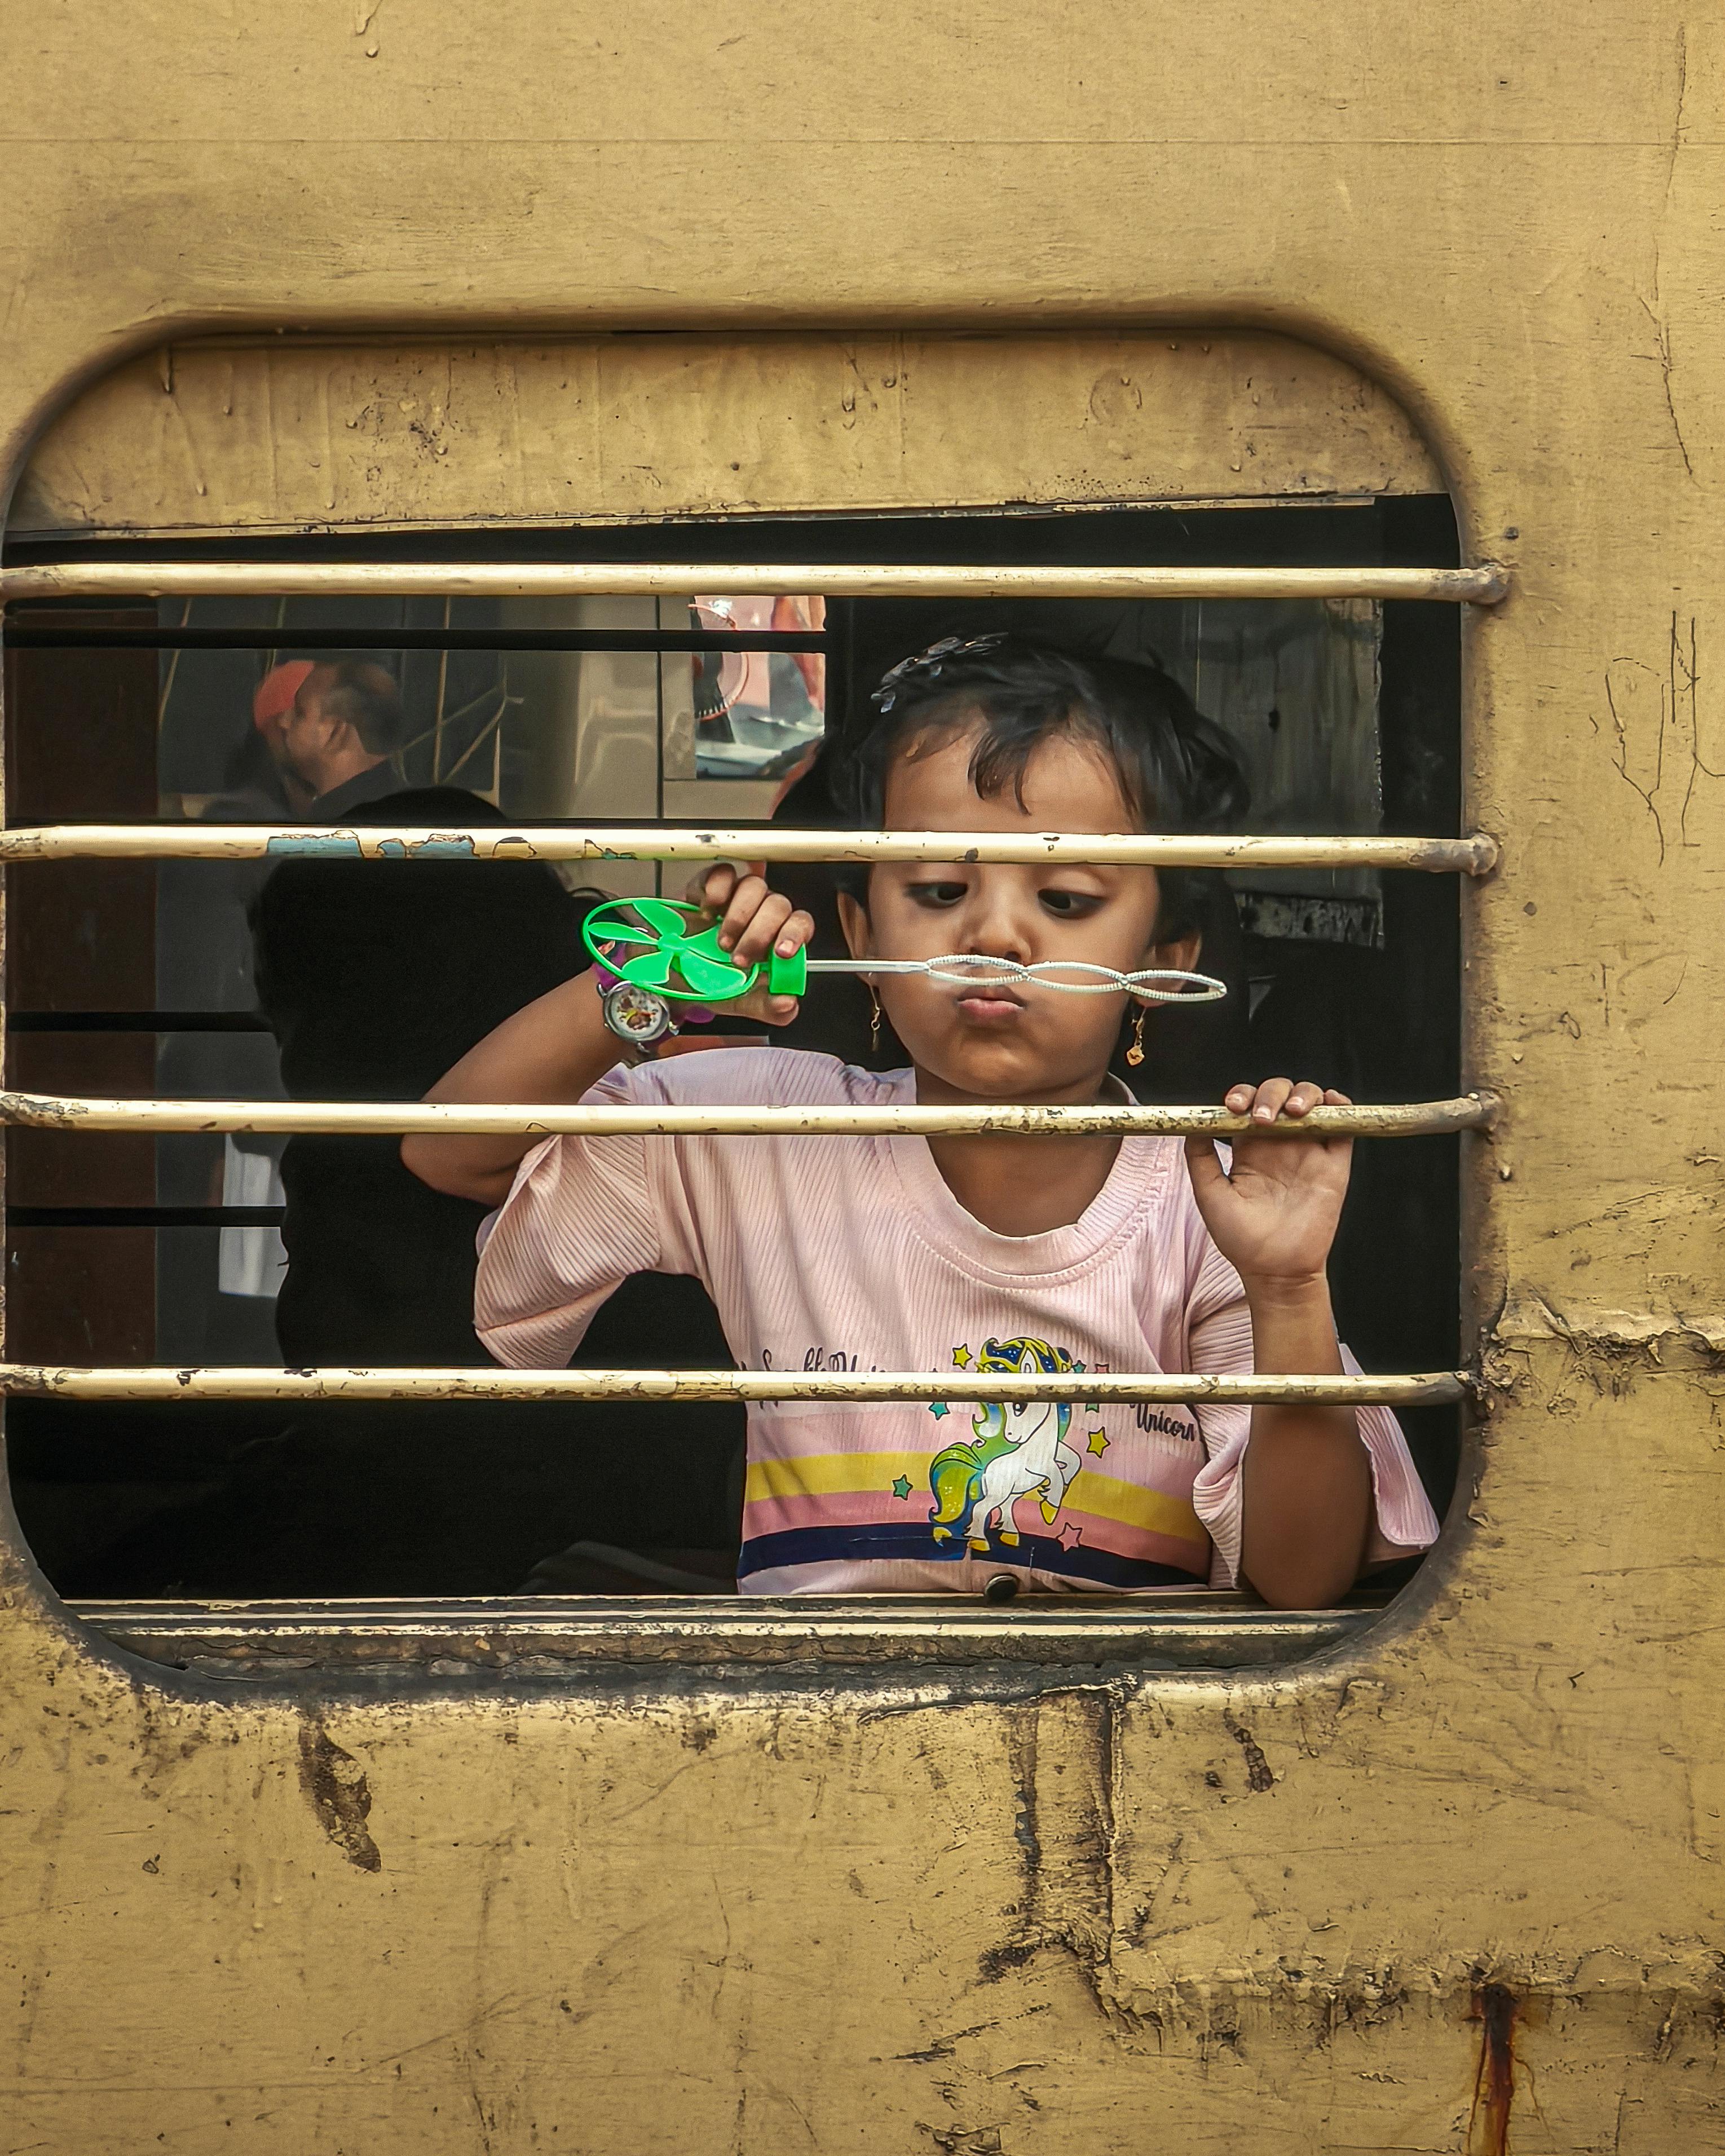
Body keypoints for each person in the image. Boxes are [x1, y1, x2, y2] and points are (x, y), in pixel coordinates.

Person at [403, 638, 1439, 1606]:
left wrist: (1288, 1289)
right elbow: (450, 1152)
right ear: (859, 927)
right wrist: (653, 977)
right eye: (940, 888)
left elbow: (1301, 1580)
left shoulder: (1211, 1208)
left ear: (1165, 959)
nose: (995, 933)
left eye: (1067, 901)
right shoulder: (767, 1130)